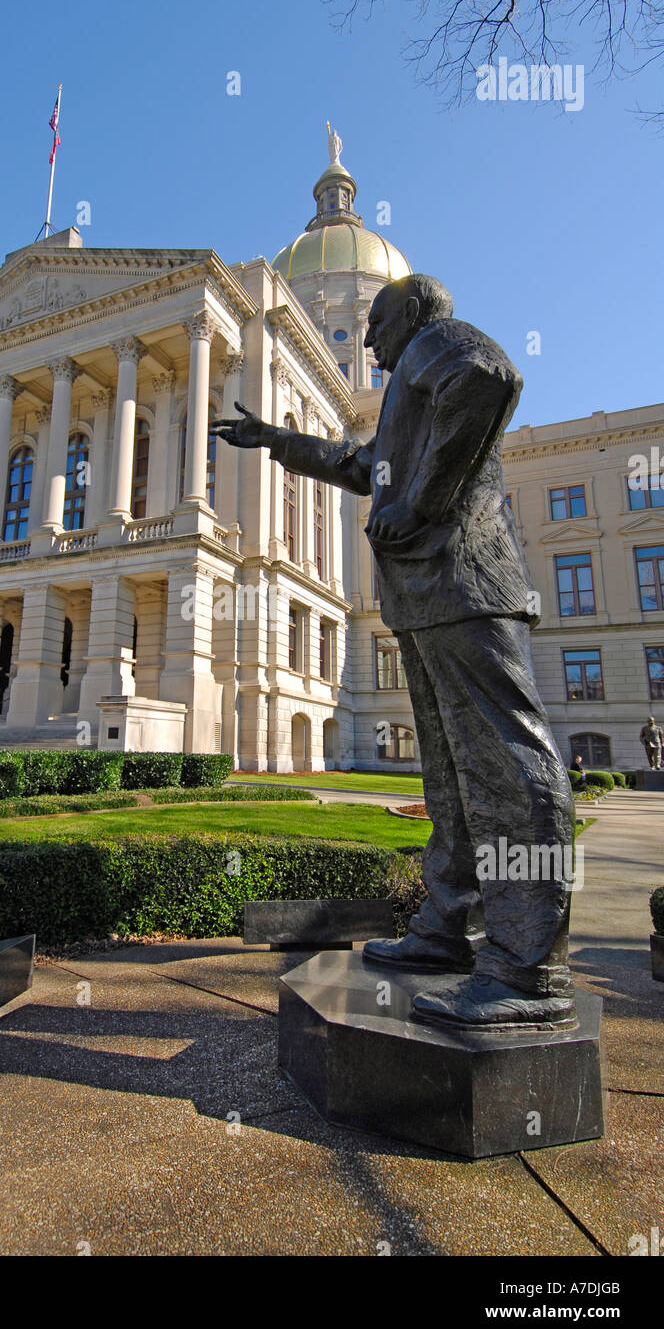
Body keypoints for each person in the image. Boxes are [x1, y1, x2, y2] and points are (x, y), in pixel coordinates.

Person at [211, 273, 576, 1027]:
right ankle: (451, 928)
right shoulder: (409, 383)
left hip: (466, 585)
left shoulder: (437, 345)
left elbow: (491, 377)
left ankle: (528, 967)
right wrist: (275, 439)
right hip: (428, 600)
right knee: (451, 774)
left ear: (410, 313)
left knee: (508, 764)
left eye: (374, 323)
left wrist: (424, 501)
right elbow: (358, 465)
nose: (368, 341)